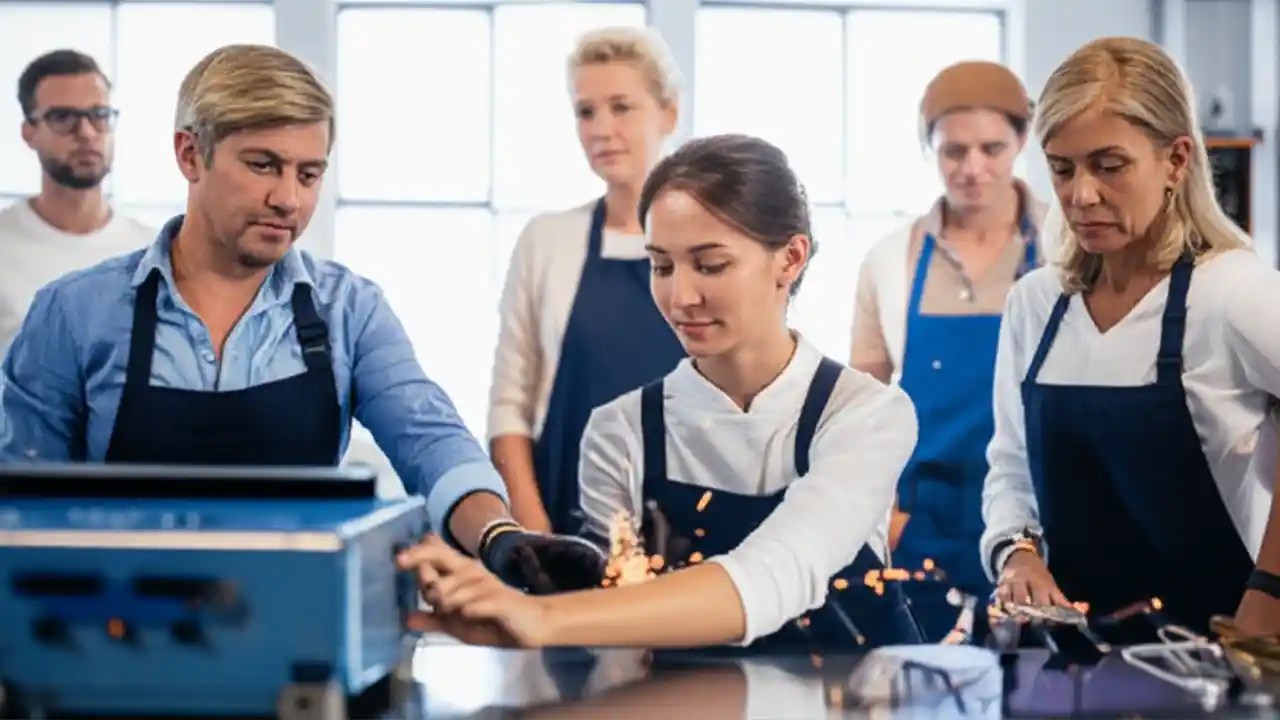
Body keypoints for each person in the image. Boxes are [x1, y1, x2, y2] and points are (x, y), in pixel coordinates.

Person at [0, 44, 603, 595]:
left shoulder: (349, 311)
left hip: (301, 625)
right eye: (263, 165)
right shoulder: (74, 314)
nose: (288, 199)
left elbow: (431, 441)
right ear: (190, 154)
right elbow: (21, 501)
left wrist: (501, 537)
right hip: (116, 629)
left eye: (308, 174)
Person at [397, 134, 922, 651]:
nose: (680, 297)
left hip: (860, 696)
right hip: (687, 696)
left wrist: (542, 618)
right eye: (662, 266)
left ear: (791, 257)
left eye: (711, 265)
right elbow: (620, 629)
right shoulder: (620, 432)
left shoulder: (867, 416)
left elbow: (779, 570)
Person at [981, 37, 1280, 639]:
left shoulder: (1232, 293)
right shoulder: (1036, 304)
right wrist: (1017, 552)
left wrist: (1271, 590)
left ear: (1176, 160)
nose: (1081, 194)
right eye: (1062, 168)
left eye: (1109, 165)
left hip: (1221, 654)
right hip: (1074, 659)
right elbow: (1011, 464)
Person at [850, 60, 1046, 642]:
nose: (972, 168)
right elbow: (861, 401)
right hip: (924, 523)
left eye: (992, 148)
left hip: (1035, 524)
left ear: (1022, 141)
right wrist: (881, 519)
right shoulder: (890, 260)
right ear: (930, 149)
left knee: (1037, 679)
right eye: (953, 151)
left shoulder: (1065, 249)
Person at [487, 27, 686, 536]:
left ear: (668, 114)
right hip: (564, 521)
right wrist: (535, 535)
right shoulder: (547, 241)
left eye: (621, 108)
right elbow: (509, 406)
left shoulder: (709, 243)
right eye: (586, 112)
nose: (601, 129)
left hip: (692, 528)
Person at [0, 49, 153, 356]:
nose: (86, 132)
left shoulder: (153, 252)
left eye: (99, 115)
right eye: (62, 118)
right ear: (29, 133)